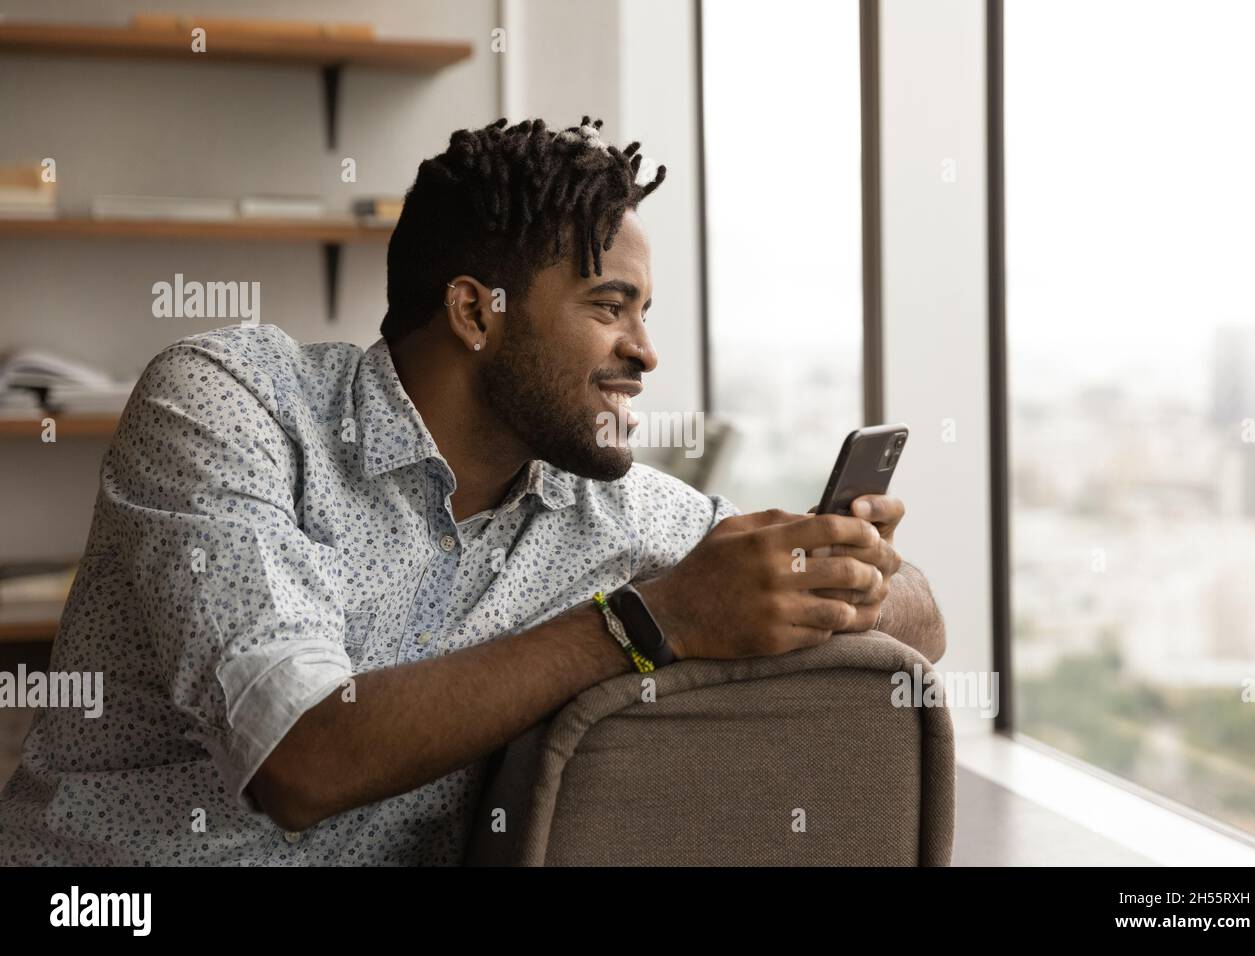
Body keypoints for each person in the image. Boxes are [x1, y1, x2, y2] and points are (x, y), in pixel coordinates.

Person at [0, 117, 943, 865]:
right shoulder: (230, 403)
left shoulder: (608, 508)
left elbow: (920, 626)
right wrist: (648, 623)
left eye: (645, 313)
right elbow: (300, 757)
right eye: (608, 306)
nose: (646, 352)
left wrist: (843, 572)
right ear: (473, 312)